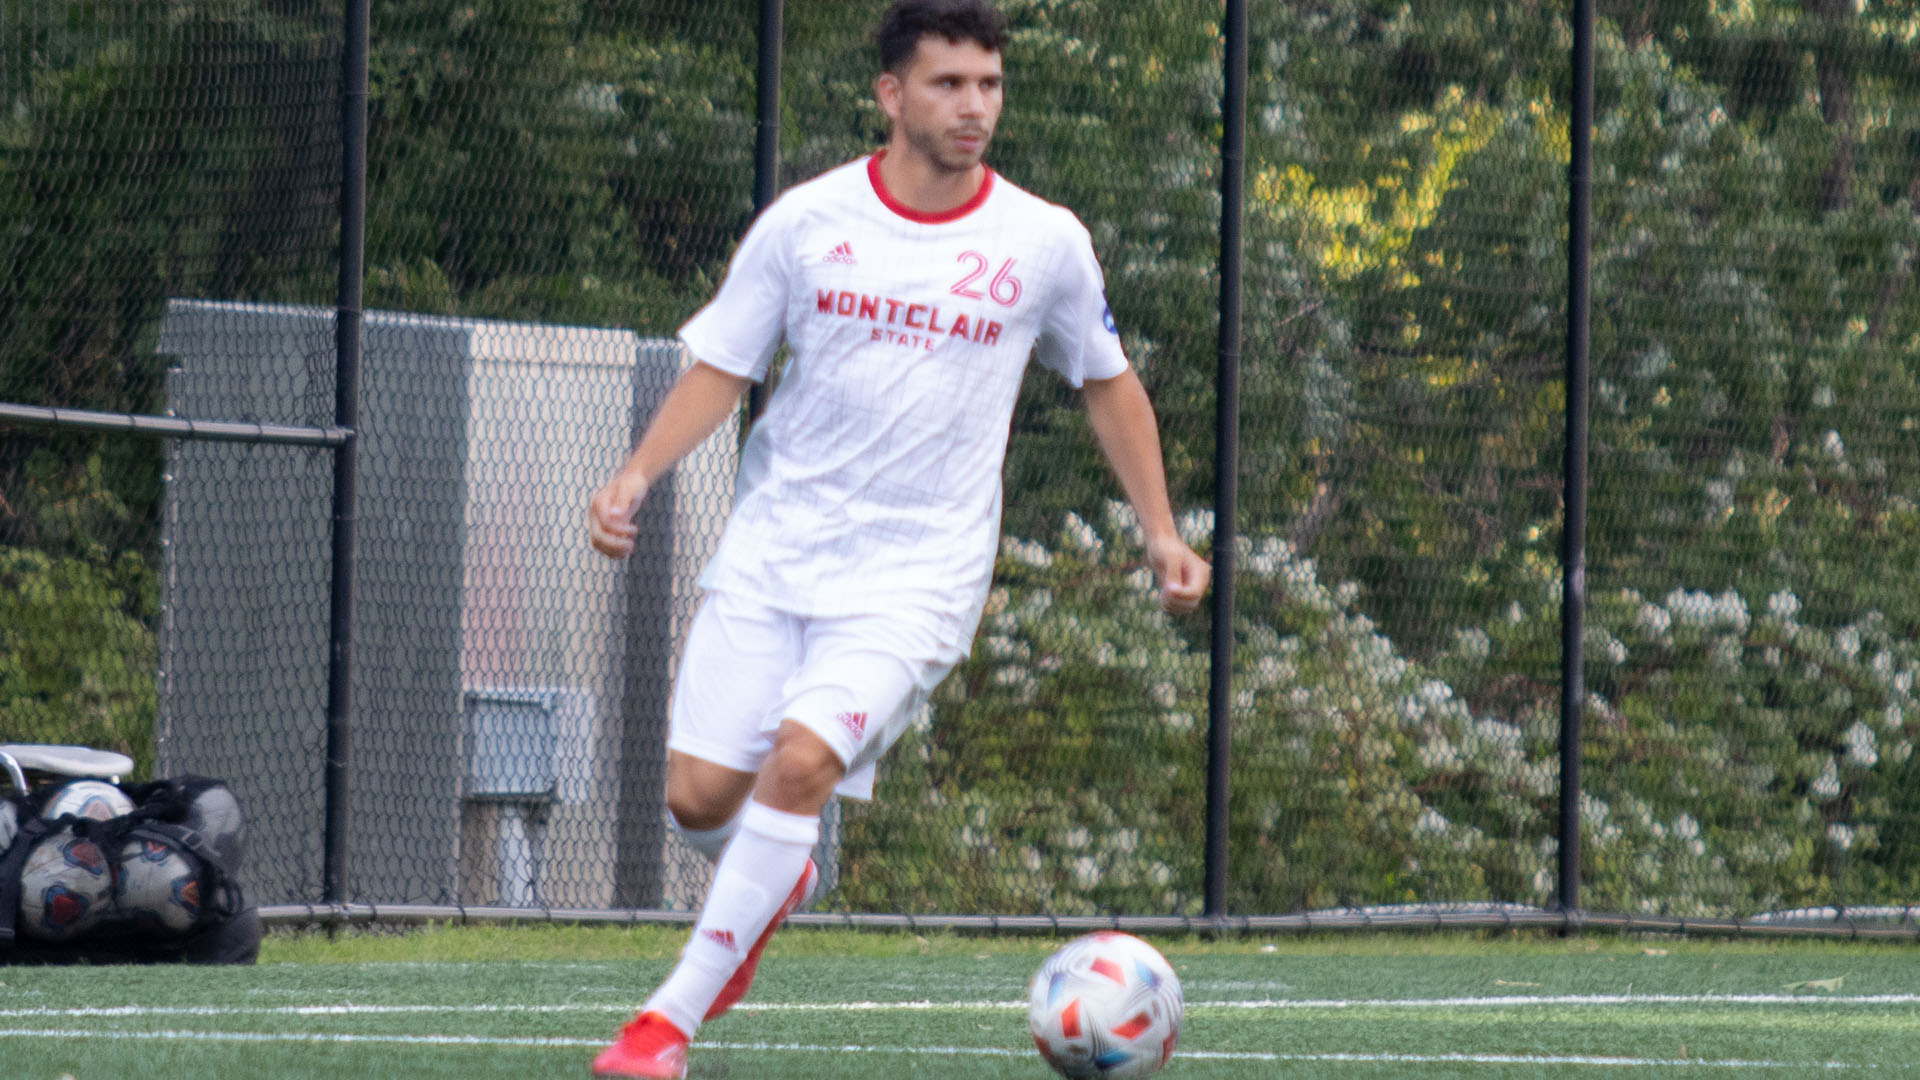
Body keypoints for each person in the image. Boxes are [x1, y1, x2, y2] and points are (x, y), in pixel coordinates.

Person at [584, 1, 1210, 1075]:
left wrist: (1161, 531)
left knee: (802, 760)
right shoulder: (807, 222)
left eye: (990, 85)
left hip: (919, 574)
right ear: (891, 95)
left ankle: (662, 1027)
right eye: (949, 84)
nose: (975, 106)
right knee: (697, 801)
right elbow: (724, 365)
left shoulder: (1042, 241)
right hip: (775, 552)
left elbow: (1109, 386)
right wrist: (638, 473)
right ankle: (775, 876)